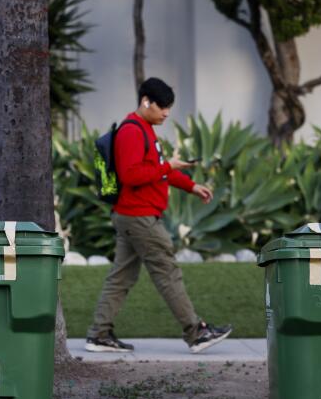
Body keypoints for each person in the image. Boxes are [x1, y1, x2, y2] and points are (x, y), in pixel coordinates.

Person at [85, 77, 233, 354]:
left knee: (121, 277)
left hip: (132, 215)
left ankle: (99, 334)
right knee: (167, 273)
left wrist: (191, 186)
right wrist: (167, 166)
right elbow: (131, 175)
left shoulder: (146, 129)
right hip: (139, 217)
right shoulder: (132, 131)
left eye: (168, 107)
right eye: (162, 107)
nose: (166, 113)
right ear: (146, 102)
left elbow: (157, 170)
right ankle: (196, 332)